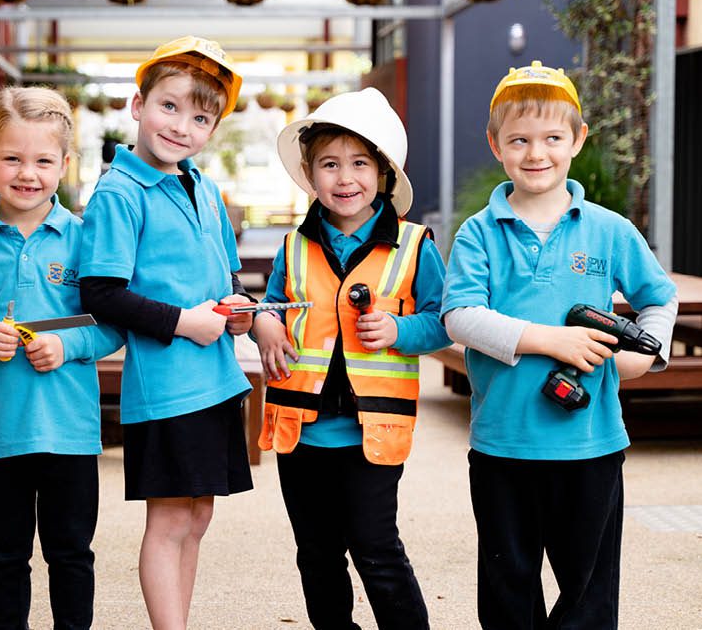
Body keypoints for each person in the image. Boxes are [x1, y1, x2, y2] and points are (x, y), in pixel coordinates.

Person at [442, 60, 678, 629]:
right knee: (507, 589)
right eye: (519, 140)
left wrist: (647, 351)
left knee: (589, 593)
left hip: (591, 445)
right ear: (495, 144)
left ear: (577, 140)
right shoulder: (479, 232)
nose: (536, 153)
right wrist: (554, 341)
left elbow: (658, 297)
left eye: (552, 138)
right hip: (503, 444)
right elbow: (460, 318)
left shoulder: (609, 229)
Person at [251, 87, 449, 630]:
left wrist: (400, 328)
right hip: (301, 431)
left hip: (372, 434)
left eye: (359, 163)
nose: (345, 179)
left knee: (375, 548)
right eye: (330, 165)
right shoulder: (294, 247)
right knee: (315, 553)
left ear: (382, 174)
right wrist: (263, 322)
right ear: (311, 174)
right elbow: (271, 305)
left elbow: (443, 320)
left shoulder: (412, 245)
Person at [78, 36, 254, 630]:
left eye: (201, 117)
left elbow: (226, 276)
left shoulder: (202, 186)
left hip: (215, 378)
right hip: (167, 387)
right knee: (170, 520)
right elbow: (100, 293)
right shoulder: (119, 192)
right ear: (137, 104)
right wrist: (185, 323)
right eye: (169, 107)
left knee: (198, 515)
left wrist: (240, 308)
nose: (182, 126)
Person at [0, 86, 124, 630]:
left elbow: (111, 326)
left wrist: (67, 345)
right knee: (3, 556)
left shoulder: (87, 240)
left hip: (70, 430)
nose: (28, 173)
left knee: (71, 554)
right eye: (12, 158)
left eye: (43, 160)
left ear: (65, 164)